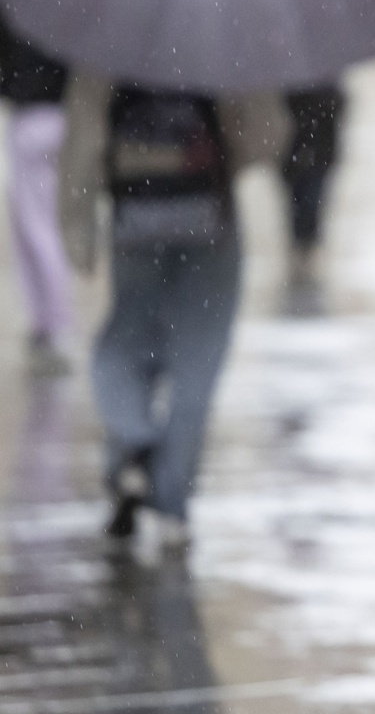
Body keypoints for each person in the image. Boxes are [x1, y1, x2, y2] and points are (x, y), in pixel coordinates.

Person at [59, 73, 288, 549]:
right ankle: (172, 508)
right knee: (197, 366)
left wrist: (79, 227)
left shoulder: (109, 38)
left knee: (123, 344)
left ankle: (133, 442)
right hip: (210, 219)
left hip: (135, 218)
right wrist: (222, 154)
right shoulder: (227, 36)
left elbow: (81, 140)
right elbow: (270, 135)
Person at [0, 0, 82, 376]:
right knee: (51, 223)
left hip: (32, 119)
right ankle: (50, 323)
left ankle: (54, 324)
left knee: (36, 228)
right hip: (68, 116)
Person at [280, 82, 346, 276]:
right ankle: (302, 243)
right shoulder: (322, 82)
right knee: (302, 198)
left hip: (314, 152)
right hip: (299, 152)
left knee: (309, 198)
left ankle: (305, 243)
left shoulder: (325, 84)